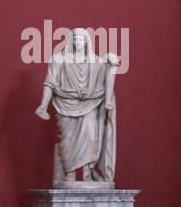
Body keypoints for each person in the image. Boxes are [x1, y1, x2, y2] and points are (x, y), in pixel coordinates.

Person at [34, 27, 121, 185]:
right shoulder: (58, 59)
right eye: (74, 38)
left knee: (90, 135)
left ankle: (89, 173)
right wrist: (43, 105)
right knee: (68, 139)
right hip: (64, 103)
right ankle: (70, 174)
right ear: (70, 41)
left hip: (90, 103)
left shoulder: (95, 61)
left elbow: (108, 68)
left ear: (87, 41)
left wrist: (110, 57)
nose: (77, 41)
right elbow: (50, 83)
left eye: (81, 38)